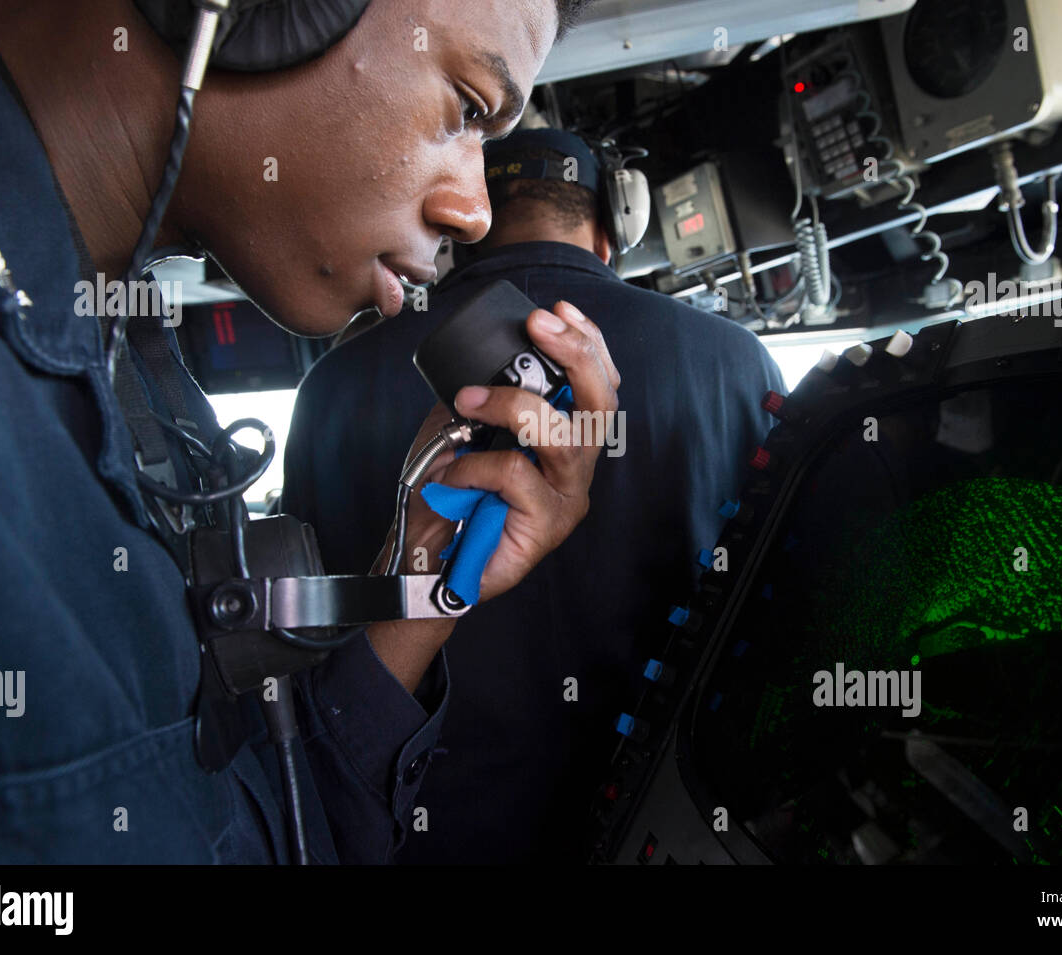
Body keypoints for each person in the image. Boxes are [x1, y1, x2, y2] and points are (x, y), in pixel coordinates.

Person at [0, 0, 618, 864]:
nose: (476, 212)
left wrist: (420, 583)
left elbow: (247, 820)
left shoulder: (139, 384)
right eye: (469, 107)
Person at [283, 128, 786, 863]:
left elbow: (299, 644)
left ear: (464, 222)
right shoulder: (735, 360)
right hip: (672, 831)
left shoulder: (328, 389)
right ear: (617, 223)